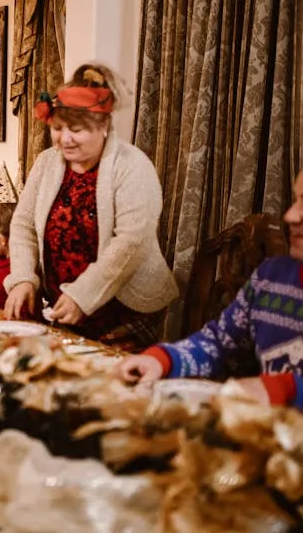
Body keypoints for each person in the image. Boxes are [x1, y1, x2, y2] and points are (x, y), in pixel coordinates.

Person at [3, 64, 177, 351]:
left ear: (104, 126)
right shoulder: (47, 162)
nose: (65, 138)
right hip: (66, 306)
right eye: (58, 128)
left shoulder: (133, 166)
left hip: (124, 311)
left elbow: (131, 242)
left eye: (77, 129)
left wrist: (83, 295)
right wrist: (23, 278)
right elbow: (23, 225)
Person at [116, 169, 303, 407]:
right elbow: (218, 342)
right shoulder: (271, 277)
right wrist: (163, 359)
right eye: (296, 200)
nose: (291, 216)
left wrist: (285, 389)